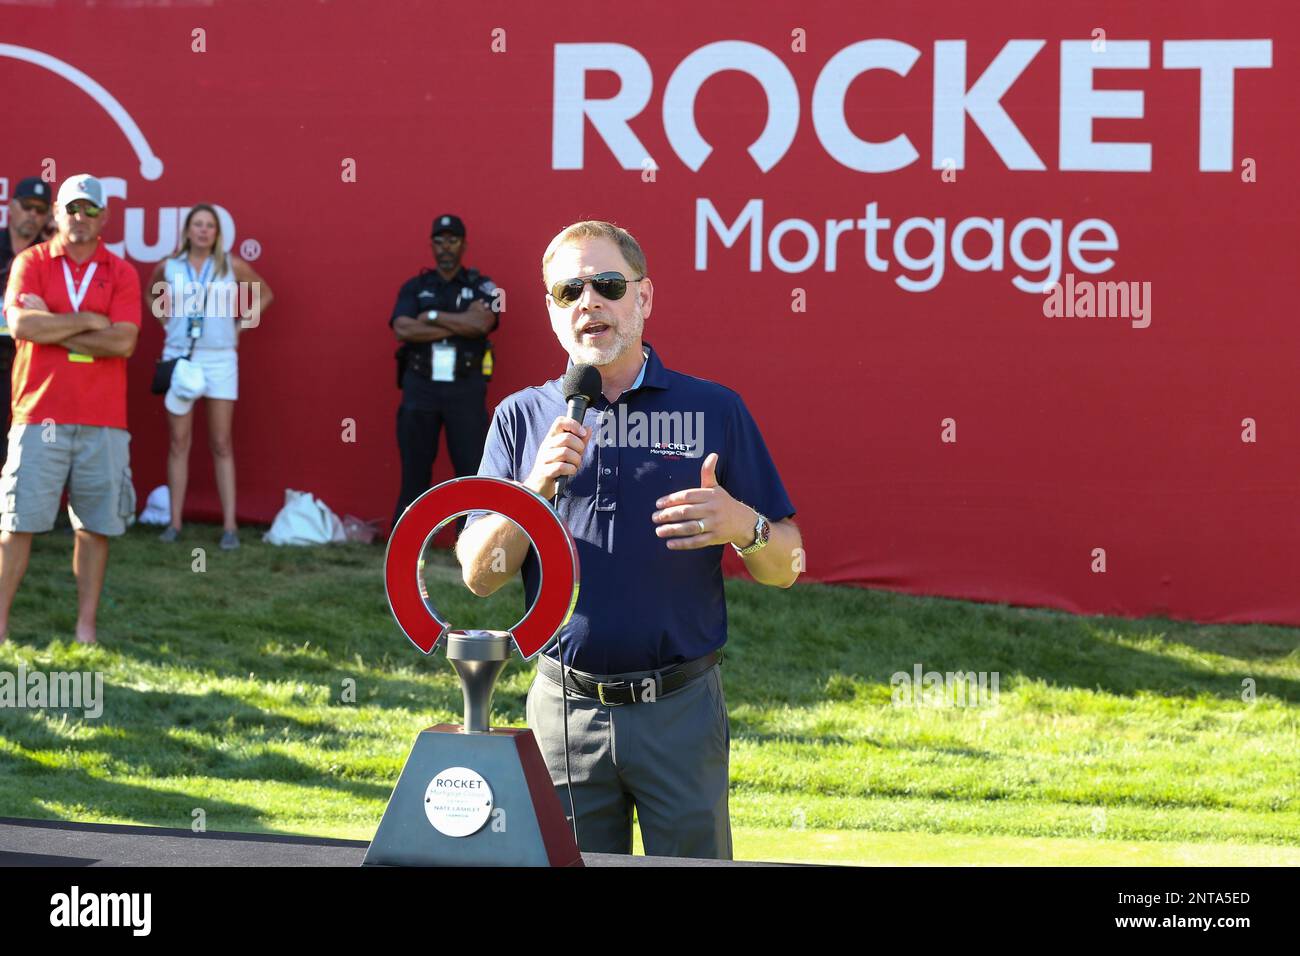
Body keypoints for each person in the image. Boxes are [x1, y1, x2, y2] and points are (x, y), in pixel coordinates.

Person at [455, 220, 802, 859]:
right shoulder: (522, 416)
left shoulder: (714, 410)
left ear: (643, 298)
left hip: (680, 710)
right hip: (563, 713)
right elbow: (480, 575)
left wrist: (742, 526)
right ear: (552, 313)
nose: (590, 302)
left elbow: (788, 565)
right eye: (570, 292)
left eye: (607, 284)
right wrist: (532, 489)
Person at [0, 174, 141, 645]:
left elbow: (123, 341)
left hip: (103, 419)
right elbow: (19, 322)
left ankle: (86, 628)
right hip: (39, 414)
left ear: (105, 217)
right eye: (73, 209)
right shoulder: (31, 262)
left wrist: (53, 325)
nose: (81, 218)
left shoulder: (120, 271)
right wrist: (86, 321)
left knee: (94, 528)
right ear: (57, 214)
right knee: (17, 525)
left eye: (91, 210)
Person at [145, 204, 273, 550]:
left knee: (221, 442)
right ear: (187, 230)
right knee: (179, 442)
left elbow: (264, 293)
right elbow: (152, 295)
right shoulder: (169, 267)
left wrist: (239, 327)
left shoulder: (230, 265)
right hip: (181, 358)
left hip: (220, 360)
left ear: (217, 233)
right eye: (197, 225)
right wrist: (169, 325)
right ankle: (174, 522)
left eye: (210, 226)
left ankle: (229, 525)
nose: (203, 231)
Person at [389, 214, 498, 529]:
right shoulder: (415, 286)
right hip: (420, 385)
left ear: (463, 244)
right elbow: (403, 328)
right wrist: (460, 323)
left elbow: (481, 324)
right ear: (431, 245)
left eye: (452, 240)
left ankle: (469, 547)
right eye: (439, 240)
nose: (445, 247)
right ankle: (405, 546)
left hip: (465, 387)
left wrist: (433, 316)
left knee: (470, 470)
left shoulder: (481, 285)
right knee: (415, 471)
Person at [0, 177, 54, 466]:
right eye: (27, 206)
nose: (33, 215)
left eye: (40, 209)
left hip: (31, 364)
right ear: (11, 206)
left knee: (20, 448)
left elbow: (60, 313)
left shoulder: (49, 257)